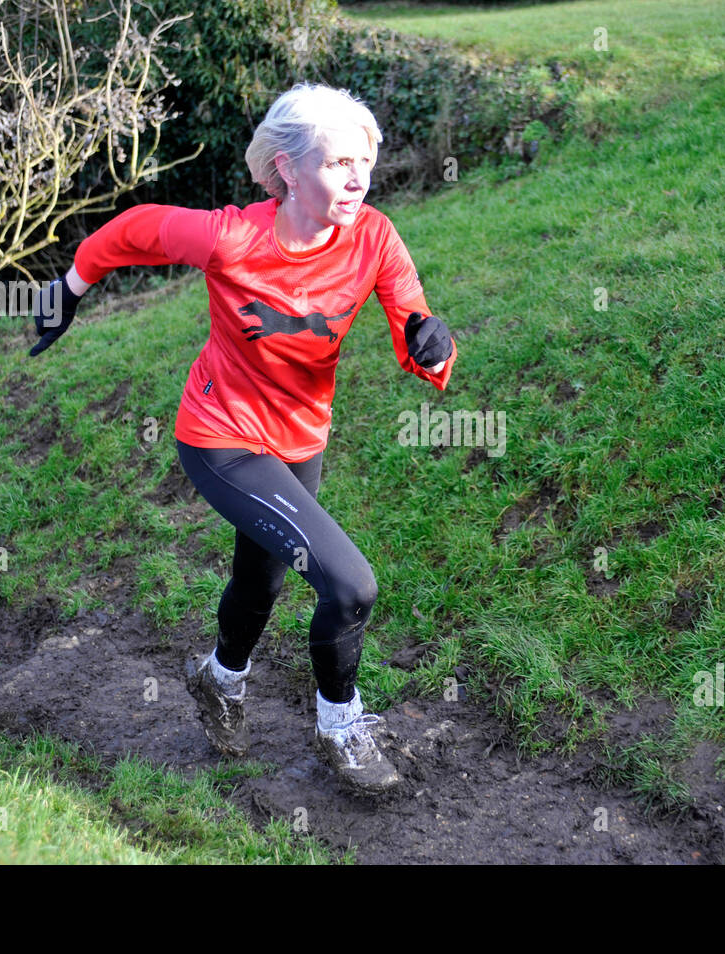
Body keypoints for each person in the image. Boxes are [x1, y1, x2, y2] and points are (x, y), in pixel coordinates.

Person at [27, 82, 458, 794]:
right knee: (351, 586)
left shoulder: (375, 237)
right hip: (221, 438)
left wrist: (432, 345)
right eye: (337, 163)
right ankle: (341, 727)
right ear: (289, 169)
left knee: (261, 581)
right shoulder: (232, 236)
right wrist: (69, 287)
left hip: (300, 439)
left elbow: (416, 333)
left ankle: (219, 679)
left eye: (365, 162)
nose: (357, 179)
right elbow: (134, 227)